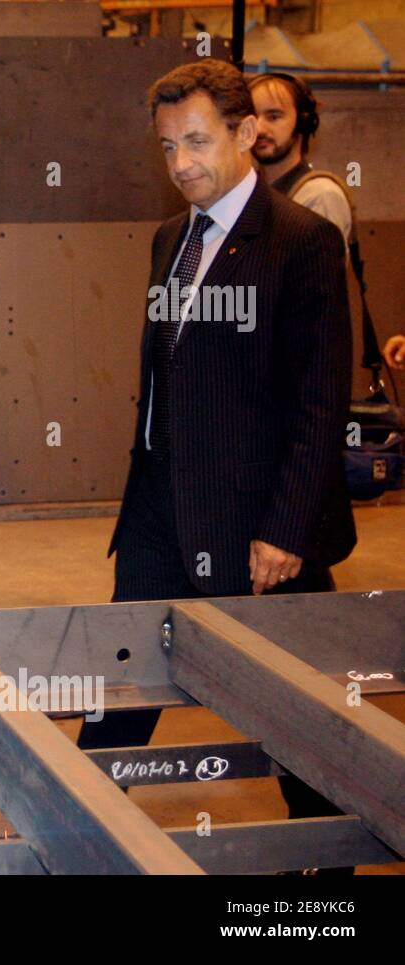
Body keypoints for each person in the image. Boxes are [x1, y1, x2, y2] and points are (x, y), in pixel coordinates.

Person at [83, 61, 356, 797]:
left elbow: (320, 400)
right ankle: (72, 835)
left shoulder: (302, 241)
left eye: (198, 142)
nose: (181, 164)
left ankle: (317, 870)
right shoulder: (172, 237)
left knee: (292, 712)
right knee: (119, 690)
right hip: (155, 514)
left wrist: (289, 528)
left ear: (246, 134)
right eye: (168, 147)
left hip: (256, 524)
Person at [249, 72, 353, 247]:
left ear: (302, 122)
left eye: (274, 117)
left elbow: (319, 273)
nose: (259, 128)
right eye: (252, 118)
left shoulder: (320, 196)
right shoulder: (247, 192)